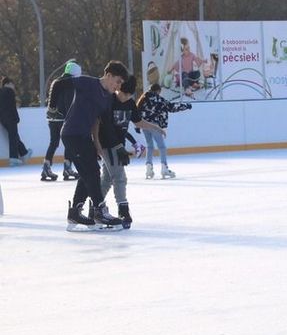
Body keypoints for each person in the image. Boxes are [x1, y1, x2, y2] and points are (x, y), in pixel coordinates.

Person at [62, 61, 131, 230]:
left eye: (121, 83)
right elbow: (59, 83)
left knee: (90, 171)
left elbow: (104, 124)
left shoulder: (107, 97)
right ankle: (99, 210)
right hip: (72, 133)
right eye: (117, 81)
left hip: (84, 136)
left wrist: (113, 146)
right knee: (91, 171)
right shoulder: (89, 83)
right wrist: (53, 107)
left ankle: (75, 212)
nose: (118, 86)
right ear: (108, 76)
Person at [97, 74, 148, 228]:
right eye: (122, 93)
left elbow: (135, 123)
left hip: (118, 145)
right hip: (107, 144)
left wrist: (156, 128)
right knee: (120, 177)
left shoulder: (130, 103)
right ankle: (123, 211)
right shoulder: (109, 100)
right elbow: (105, 126)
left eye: (128, 95)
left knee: (106, 179)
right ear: (118, 89)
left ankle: (95, 207)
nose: (124, 97)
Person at [136, 83, 192, 179]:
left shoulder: (143, 98)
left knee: (150, 146)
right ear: (158, 91)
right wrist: (186, 106)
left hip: (144, 125)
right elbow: (172, 107)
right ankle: (164, 168)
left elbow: (137, 112)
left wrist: (137, 126)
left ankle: (149, 168)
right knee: (162, 147)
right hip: (154, 125)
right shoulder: (159, 99)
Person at [42, 61, 82, 182]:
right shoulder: (69, 83)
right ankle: (67, 167)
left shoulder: (56, 81)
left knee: (53, 142)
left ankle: (46, 167)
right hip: (63, 117)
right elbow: (68, 101)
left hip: (51, 117)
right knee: (69, 141)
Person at [0, 76, 29, 165]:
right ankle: (13, 158)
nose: (13, 86)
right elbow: (12, 107)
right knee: (13, 137)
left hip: (3, 119)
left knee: (14, 136)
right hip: (11, 118)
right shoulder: (10, 91)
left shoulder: (0, 92)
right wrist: (17, 118)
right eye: (12, 84)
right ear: (8, 84)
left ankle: (24, 153)